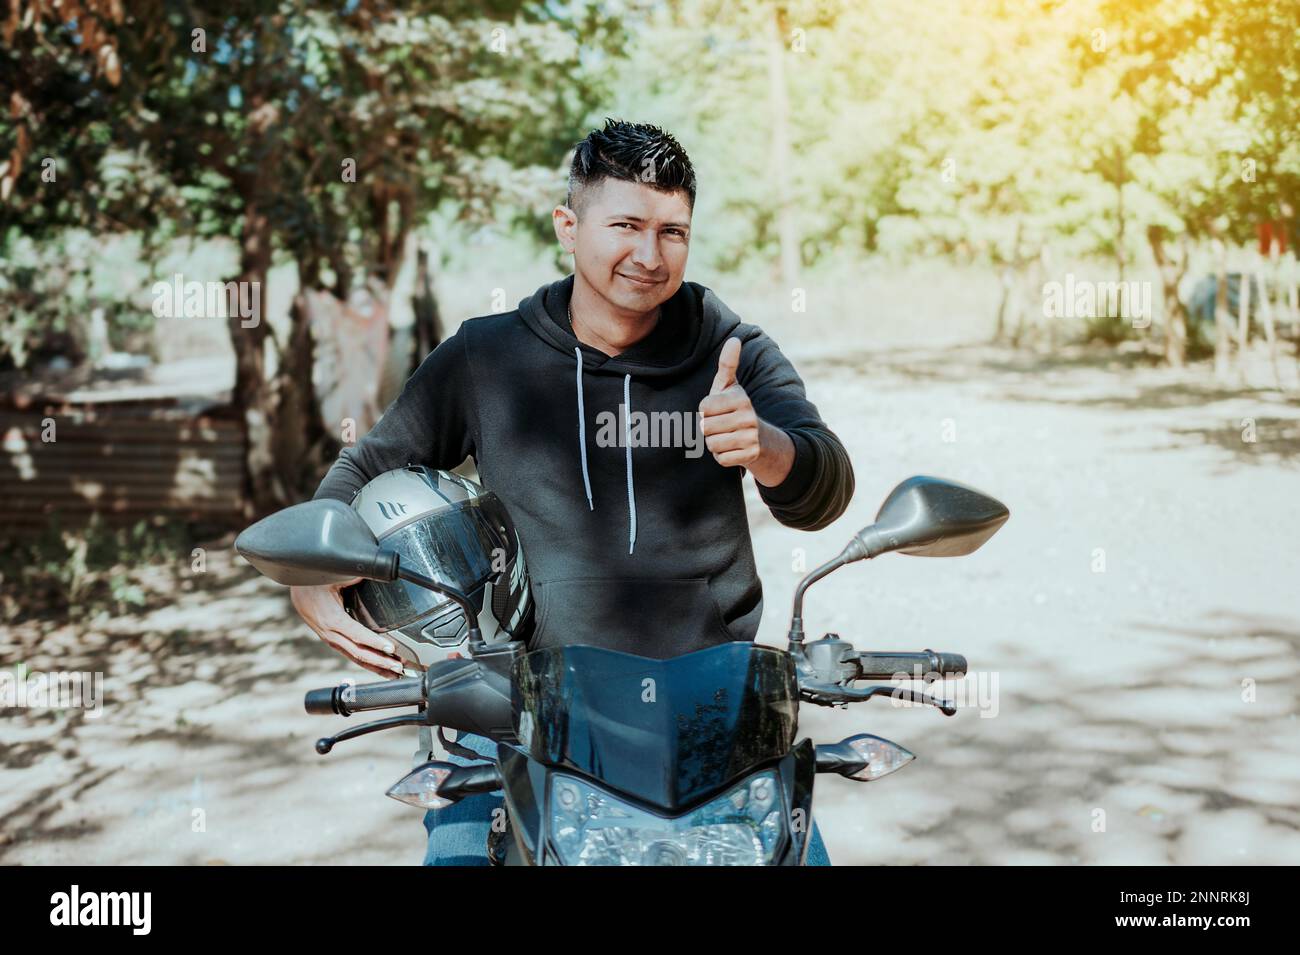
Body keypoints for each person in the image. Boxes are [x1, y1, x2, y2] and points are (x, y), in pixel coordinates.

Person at [291, 119, 855, 865]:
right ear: (568, 224)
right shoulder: (486, 356)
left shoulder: (732, 349)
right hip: (516, 709)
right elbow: (358, 475)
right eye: (624, 225)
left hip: (712, 713)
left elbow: (827, 482)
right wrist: (310, 575)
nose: (649, 256)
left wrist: (768, 447)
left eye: (672, 232)